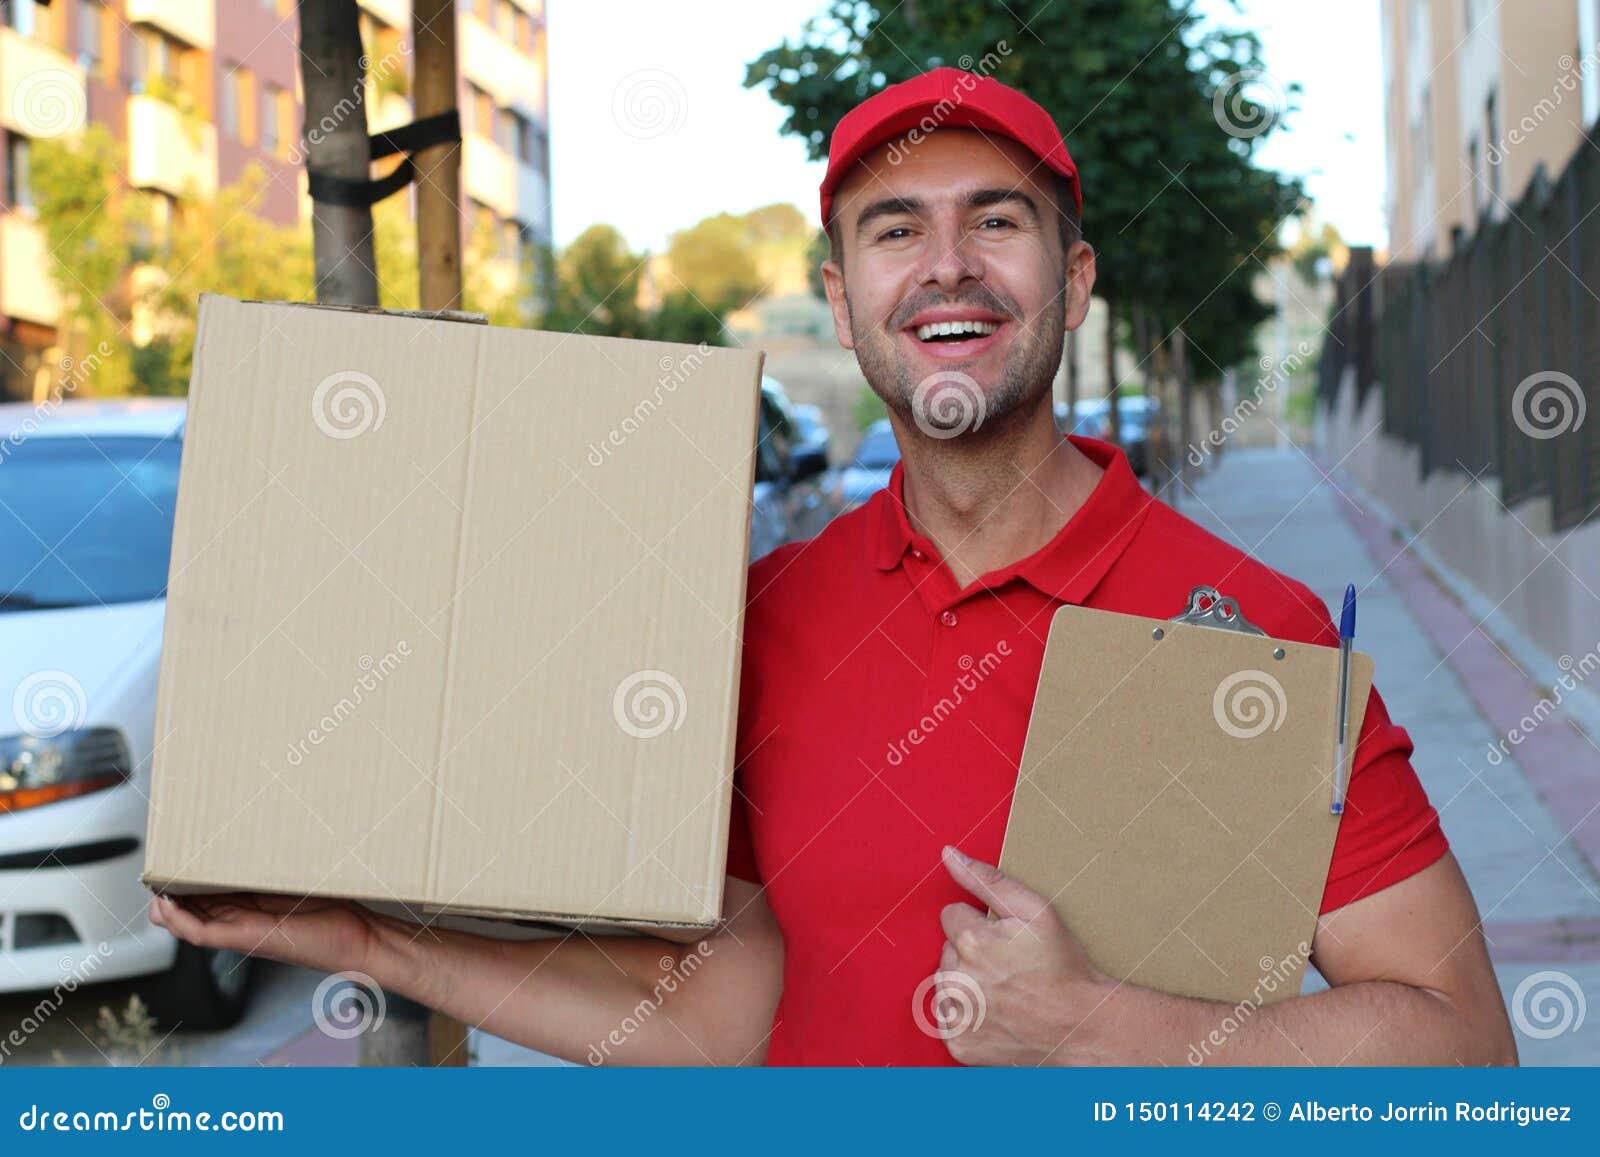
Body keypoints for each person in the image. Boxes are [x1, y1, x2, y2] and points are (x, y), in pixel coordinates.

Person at [152, 68, 1516, 1067]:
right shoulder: (755, 616)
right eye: (894, 228)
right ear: (843, 294)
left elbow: (1461, 1047)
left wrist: (1097, 1022)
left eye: (997, 220)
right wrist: (374, 945)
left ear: (1077, 276)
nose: (947, 266)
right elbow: (722, 1013)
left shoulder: (1243, 634)